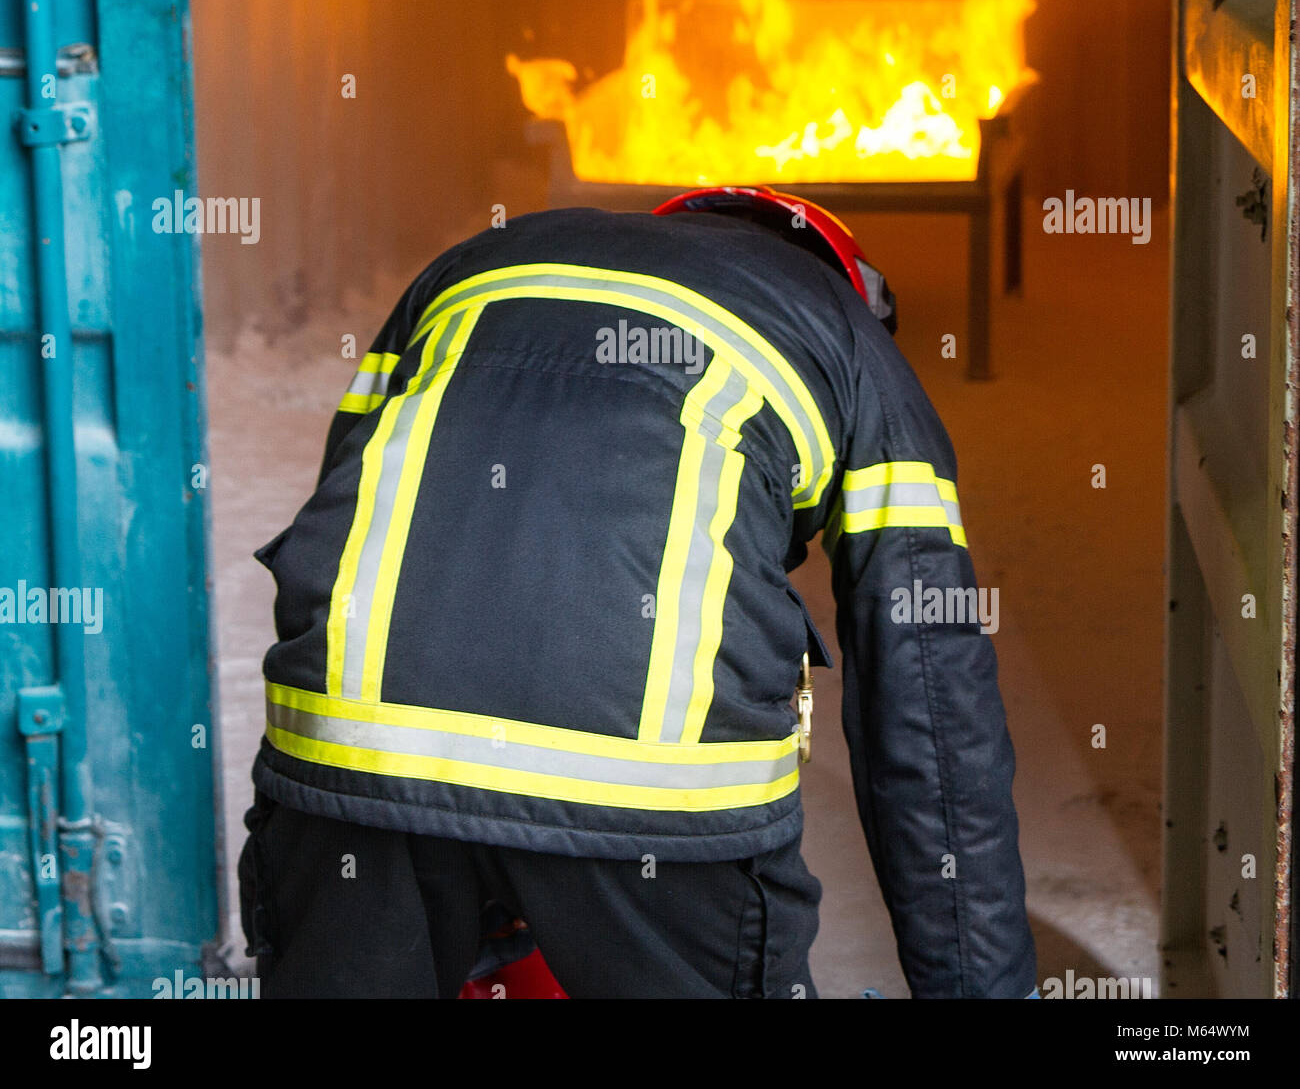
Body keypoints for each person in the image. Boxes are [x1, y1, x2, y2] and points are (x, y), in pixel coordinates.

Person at [238, 188, 1036, 999]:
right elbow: (931, 703)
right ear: (852, 284)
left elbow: (342, 512)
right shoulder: (850, 338)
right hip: (656, 794)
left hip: (353, 747)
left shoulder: (474, 265)